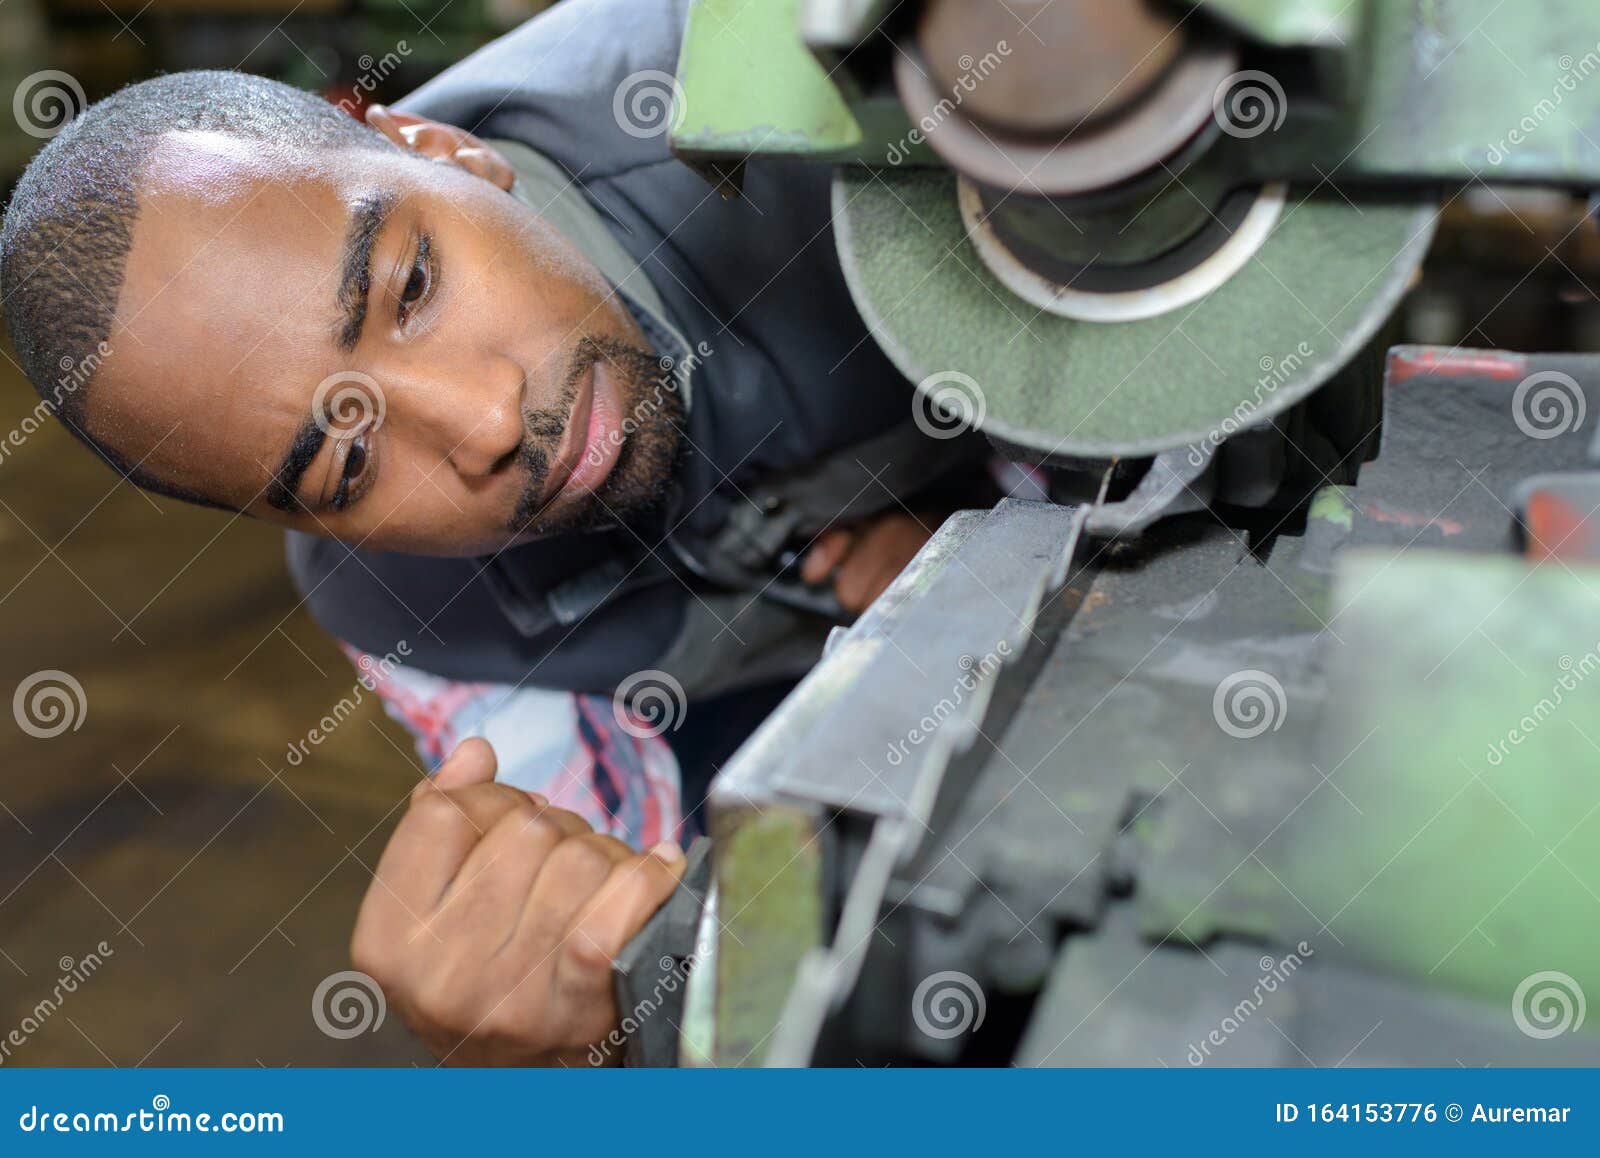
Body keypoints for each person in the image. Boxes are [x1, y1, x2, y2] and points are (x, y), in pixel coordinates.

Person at [0, 0, 994, 1062]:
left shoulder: (805, 78)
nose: (484, 423)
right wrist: (577, 1015)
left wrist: (973, 545)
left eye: (413, 287)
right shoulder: (394, 605)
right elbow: (601, 873)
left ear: (444, 149)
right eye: (347, 461)